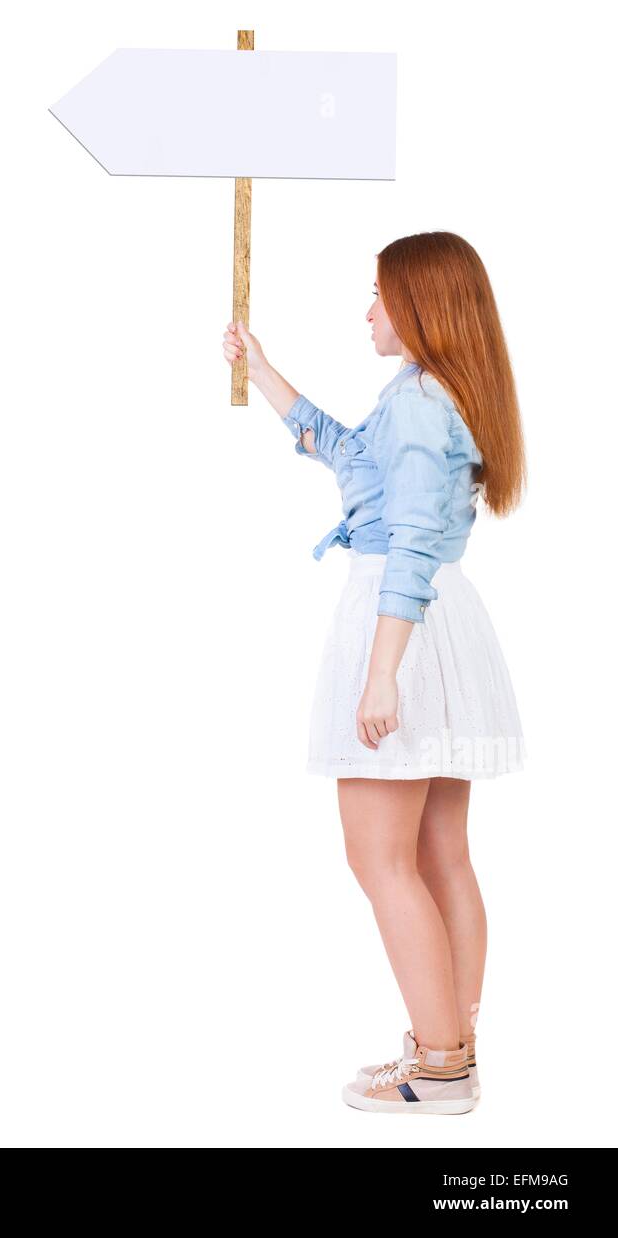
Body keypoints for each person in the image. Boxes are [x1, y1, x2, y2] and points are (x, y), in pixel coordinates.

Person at [222, 231, 527, 1116]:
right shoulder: (423, 395)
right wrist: (264, 366)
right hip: (431, 619)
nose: (369, 311)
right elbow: (351, 455)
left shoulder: (426, 405)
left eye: (379, 297)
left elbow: (409, 548)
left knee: (379, 856)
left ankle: (439, 1070)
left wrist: (382, 672)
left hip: (405, 621)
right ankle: (449, 1047)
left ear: (420, 306)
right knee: (437, 854)